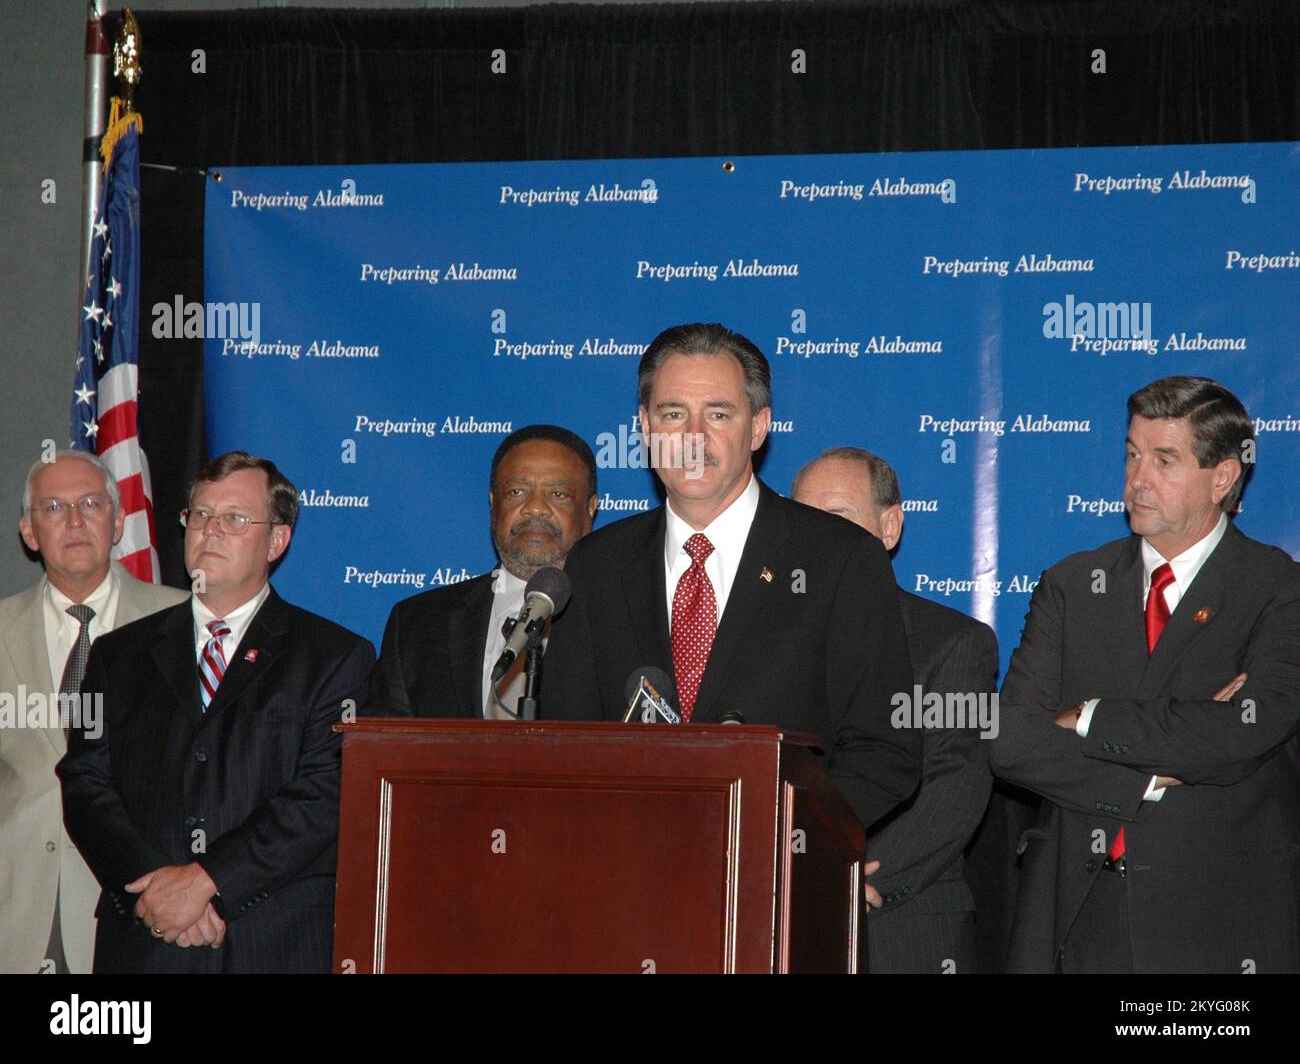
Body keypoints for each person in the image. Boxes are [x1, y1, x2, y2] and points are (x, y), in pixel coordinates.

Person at [544, 323, 920, 832]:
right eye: (673, 414)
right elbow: (567, 745)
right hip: (626, 874)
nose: (693, 438)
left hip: (775, 877)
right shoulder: (598, 564)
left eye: (718, 414)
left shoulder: (841, 557)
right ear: (645, 427)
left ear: (759, 427)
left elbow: (882, 751)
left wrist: (781, 843)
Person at [991, 376, 1300, 974]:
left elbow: (1243, 734)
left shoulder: (1277, 590)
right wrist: (1148, 779)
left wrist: (1089, 717)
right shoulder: (1073, 584)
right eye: (1132, 455)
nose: (1137, 479)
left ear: (1223, 477)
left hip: (1217, 920)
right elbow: (1013, 743)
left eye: (1164, 460)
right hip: (1080, 915)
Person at [58, 451, 374, 973]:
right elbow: (85, 783)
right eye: (200, 515)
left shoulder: (335, 657)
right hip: (145, 937)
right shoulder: (117, 655)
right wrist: (155, 888)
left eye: (234, 519)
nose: (210, 531)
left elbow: (325, 794)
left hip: (272, 941)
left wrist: (207, 881)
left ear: (277, 540)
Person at [792, 447, 996, 973]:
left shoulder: (955, 642)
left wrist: (841, 873)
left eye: (836, 520)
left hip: (901, 921)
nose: (818, 538)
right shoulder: (762, 643)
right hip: (778, 916)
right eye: (801, 520)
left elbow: (954, 787)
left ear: (889, 526)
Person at [0, 450, 187, 974]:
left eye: (90, 503)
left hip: (140, 912)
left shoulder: (182, 624)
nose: (76, 521)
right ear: (28, 532)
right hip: (16, 909)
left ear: (119, 520)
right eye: (54, 507)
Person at [366, 425, 598, 720]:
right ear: (493, 504)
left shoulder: (621, 617)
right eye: (517, 491)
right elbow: (387, 753)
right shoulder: (417, 625)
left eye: (558, 493)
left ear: (590, 509)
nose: (536, 508)